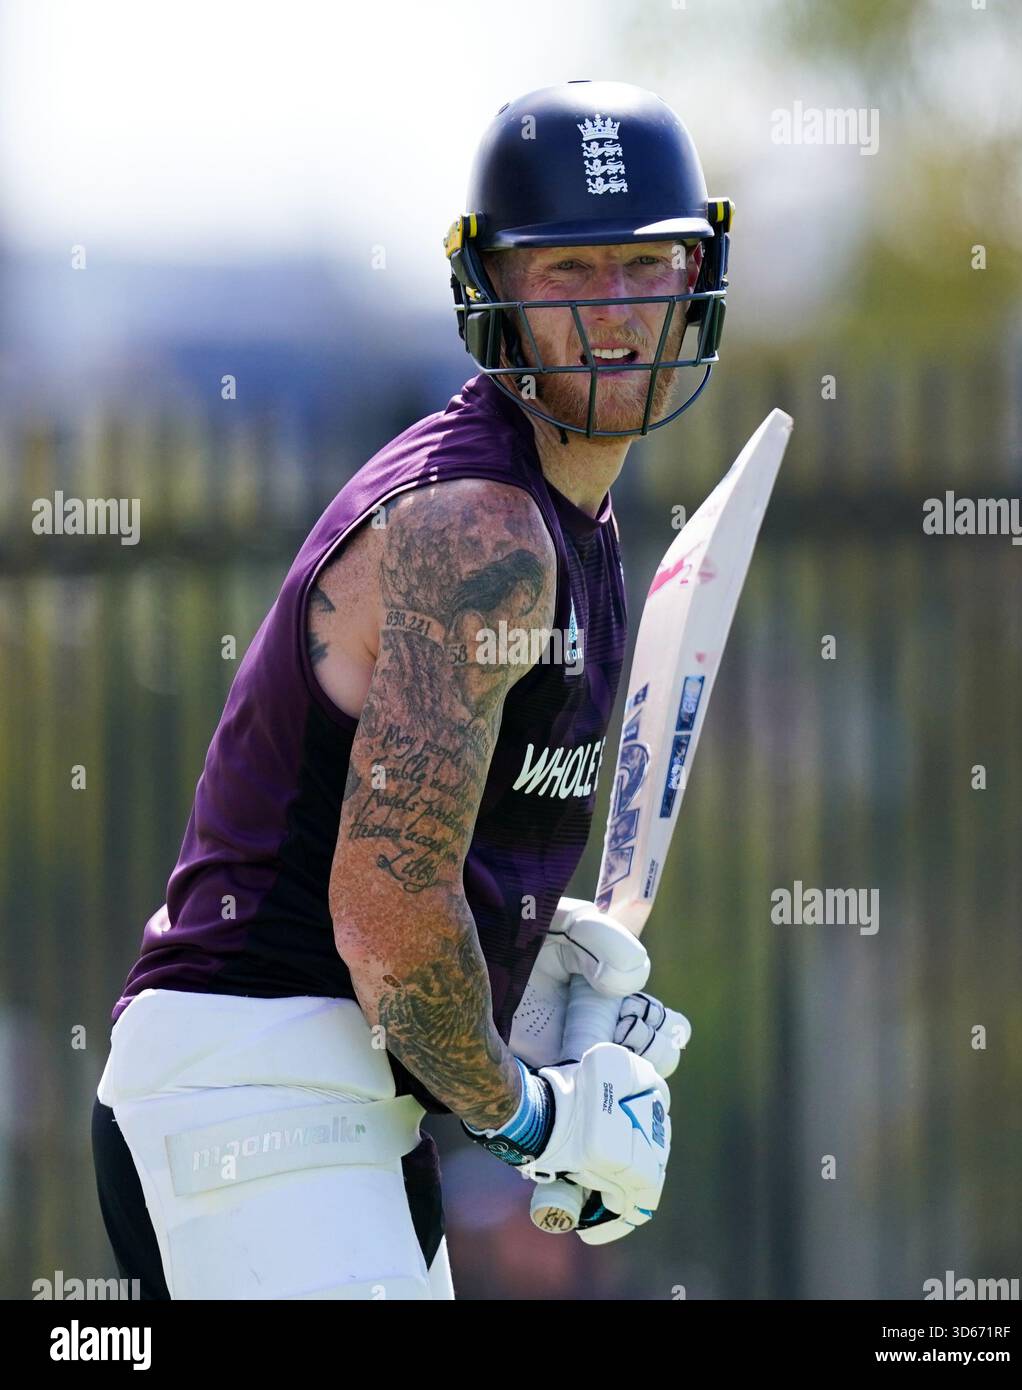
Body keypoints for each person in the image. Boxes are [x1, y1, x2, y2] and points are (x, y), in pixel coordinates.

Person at [91, 78, 730, 1299]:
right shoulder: (482, 525)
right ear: (490, 290)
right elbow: (384, 922)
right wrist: (541, 1119)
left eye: (642, 266)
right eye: (568, 273)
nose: (612, 314)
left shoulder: (572, 524)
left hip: (331, 1109)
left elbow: (417, 870)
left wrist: (526, 966)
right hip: (261, 1086)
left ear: (695, 275)